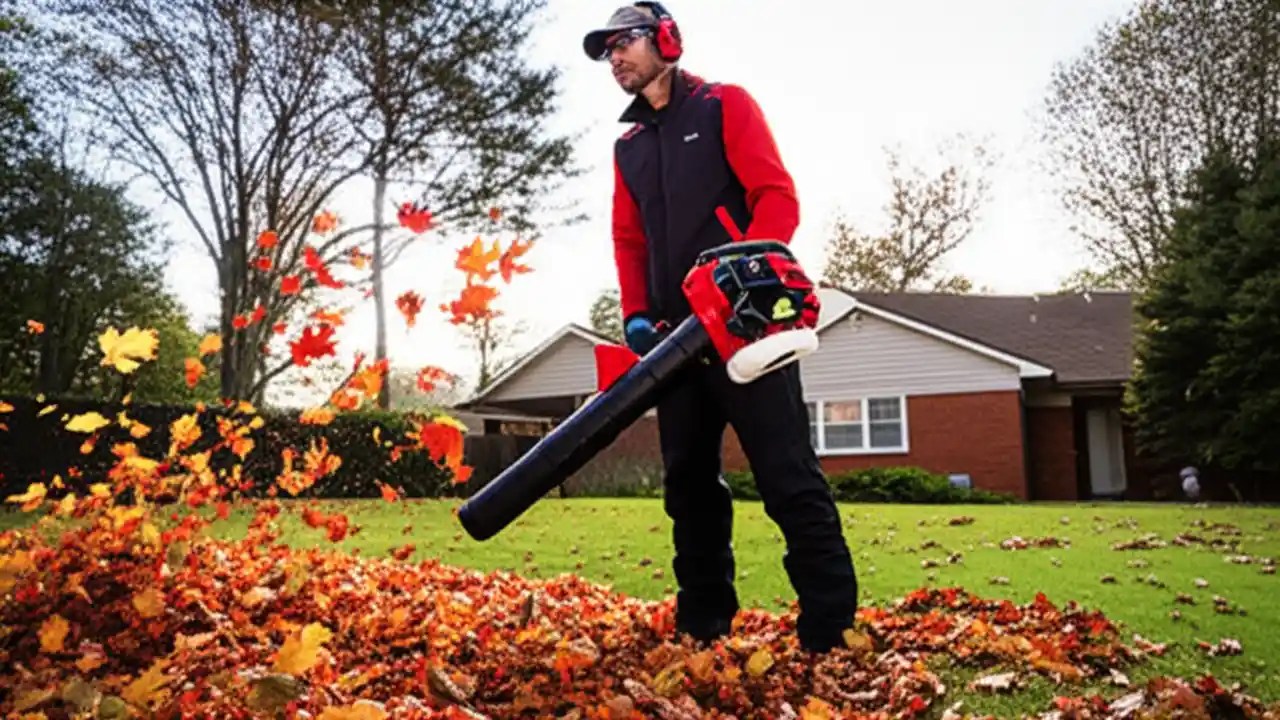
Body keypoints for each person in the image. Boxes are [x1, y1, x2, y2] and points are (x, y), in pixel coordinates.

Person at [583, 2, 859, 653]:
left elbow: (776, 196)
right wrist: (636, 314)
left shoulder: (723, 106)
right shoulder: (629, 147)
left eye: (624, 42)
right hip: (676, 344)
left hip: (748, 330)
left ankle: (830, 627)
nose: (615, 57)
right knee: (688, 487)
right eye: (609, 50)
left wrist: (743, 278)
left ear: (667, 40)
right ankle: (703, 621)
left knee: (787, 475)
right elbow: (628, 239)